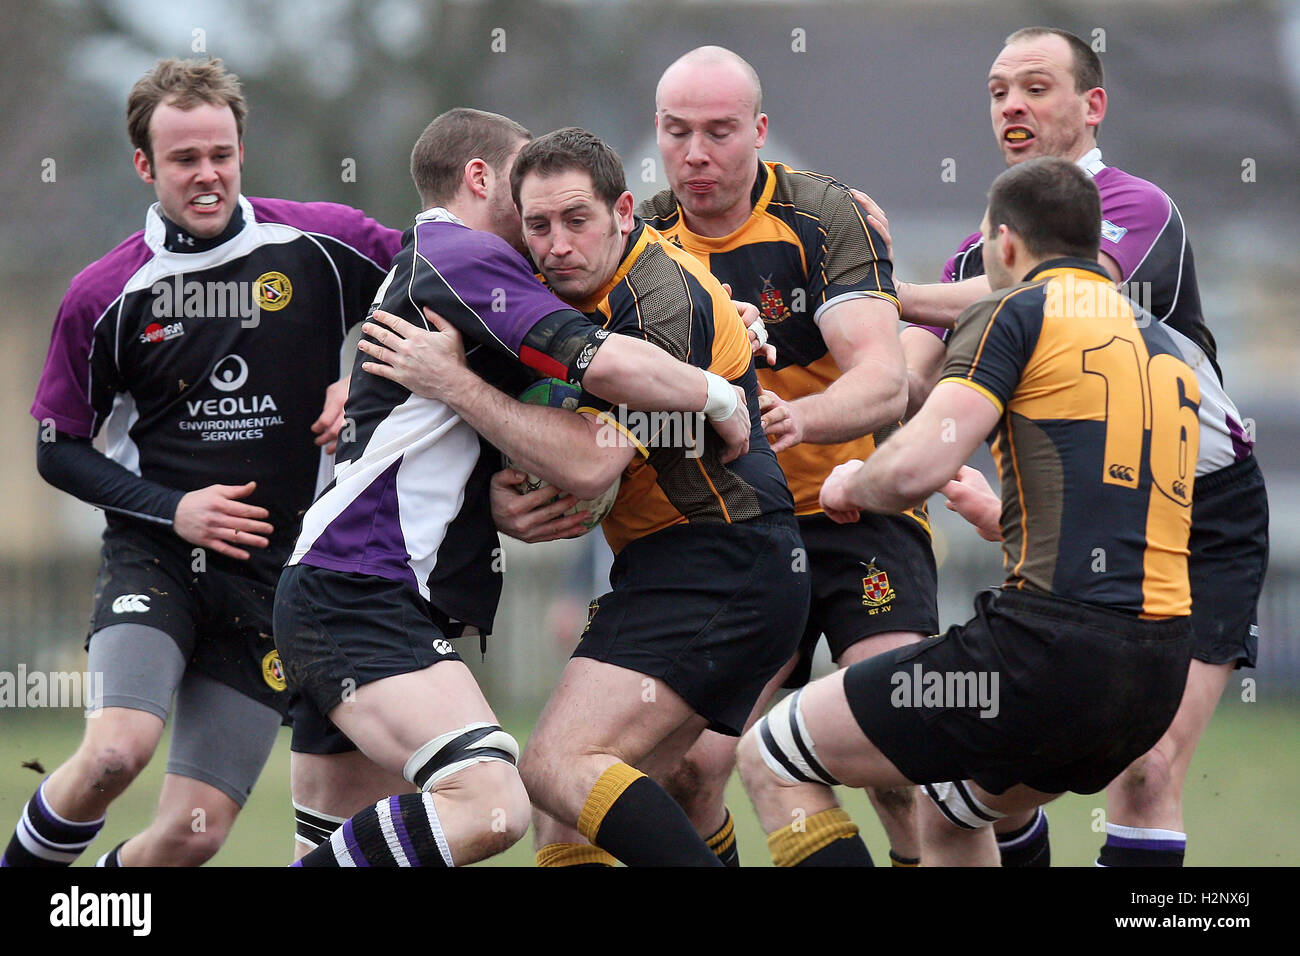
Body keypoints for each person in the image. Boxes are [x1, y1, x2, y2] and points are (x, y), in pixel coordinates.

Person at [274, 112, 758, 867]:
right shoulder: (459, 254)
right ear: (479, 179)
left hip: (349, 589)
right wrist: (722, 394)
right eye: (528, 199)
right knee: (493, 801)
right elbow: (603, 361)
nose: (545, 232)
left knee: (347, 849)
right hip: (357, 589)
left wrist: (728, 320)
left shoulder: (450, 272)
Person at [872, 26, 1268, 868]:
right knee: (998, 778)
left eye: (1036, 86)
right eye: (996, 90)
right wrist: (819, 329)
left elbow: (1055, 300)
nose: (1011, 104)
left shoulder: (1135, 206)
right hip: (1085, 523)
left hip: (1204, 513)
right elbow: (906, 386)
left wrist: (895, 290)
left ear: (1092, 107)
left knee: (1148, 766)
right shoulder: (974, 257)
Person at [738, 155, 1202, 866]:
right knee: (951, 812)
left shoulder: (1012, 310)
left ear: (1006, 245)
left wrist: (853, 481)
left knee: (772, 752)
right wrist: (1002, 518)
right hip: (1159, 669)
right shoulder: (1160, 340)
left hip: (1044, 653)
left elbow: (917, 464)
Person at [6, 57, 403, 868]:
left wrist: (360, 379)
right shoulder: (104, 295)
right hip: (155, 560)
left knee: (197, 839)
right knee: (116, 754)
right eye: (185, 159)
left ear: (241, 151)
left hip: (272, 580)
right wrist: (173, 509)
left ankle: (92, 906)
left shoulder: (320, 245)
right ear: (145, 165)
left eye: (221, 153)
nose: (208, 174)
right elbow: (57, 451)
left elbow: (440, 283)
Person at [395, 126, 806, 866]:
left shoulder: (659, 305)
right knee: (583, 811)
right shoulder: (558, 291)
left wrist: (452, 382)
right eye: (539, 225)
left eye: (576, 220)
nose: (555, 245)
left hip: (725, 563)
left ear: (623, 213)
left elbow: (589, 466)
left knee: (554, 766)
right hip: (678, 568)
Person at [641, 45, 928, 867]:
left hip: (855, 509)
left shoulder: (821, 216)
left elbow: (885, 383)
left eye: (720, 132)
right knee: (691, 769)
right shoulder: (640, 242)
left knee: (897, 742)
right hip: (736, 533)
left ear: (761, 132)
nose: (696, 154)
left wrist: (796, 420)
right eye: (677, 131)